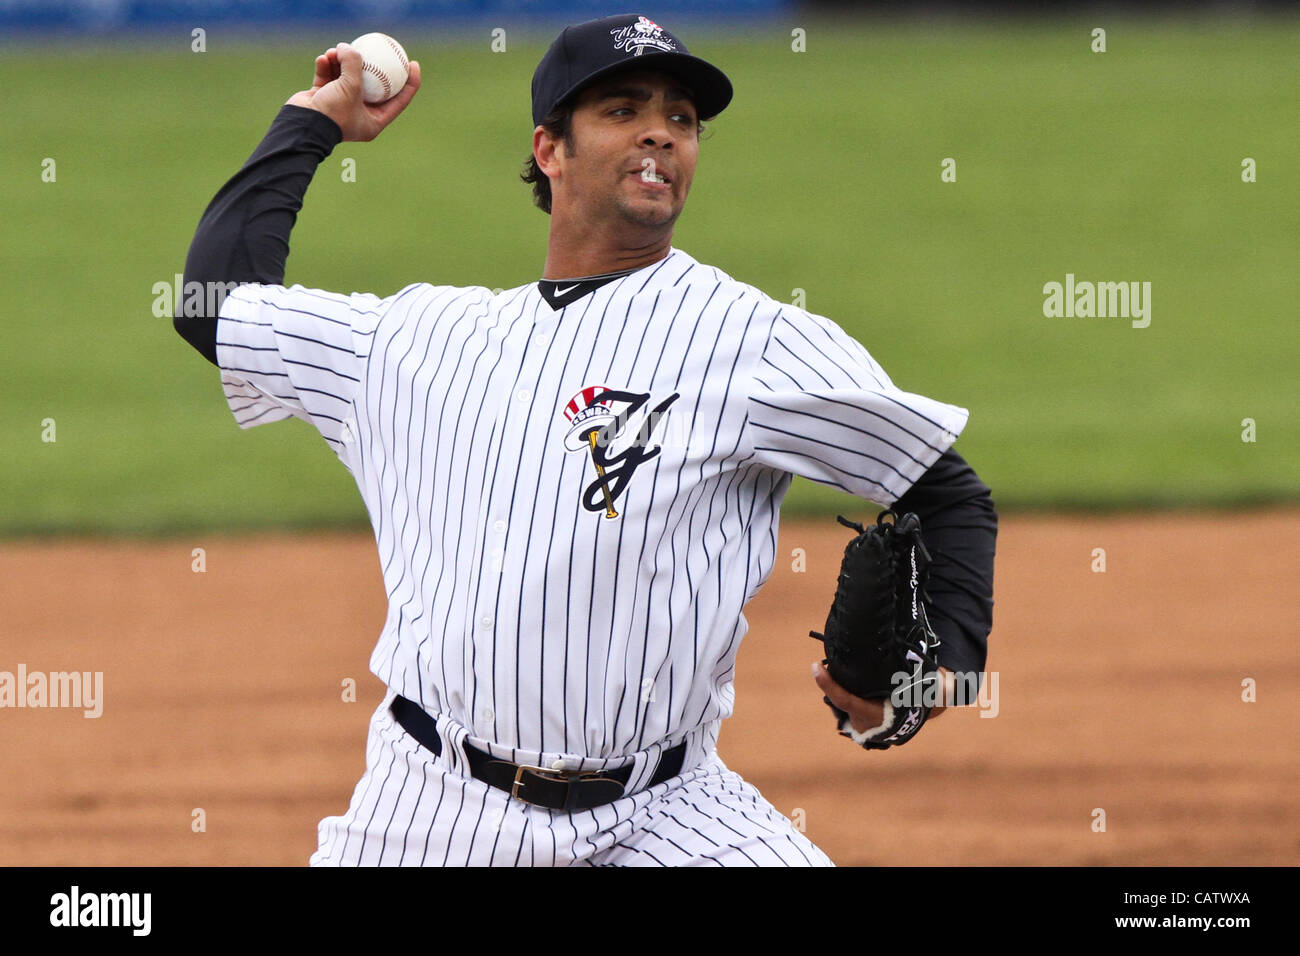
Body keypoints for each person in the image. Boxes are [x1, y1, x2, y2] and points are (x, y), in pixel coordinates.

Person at [174, 14, 996, 867]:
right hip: (429, 810)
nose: (659, 132)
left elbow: (944, 491)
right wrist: (312, 118)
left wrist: (948, 672)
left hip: (671, 811)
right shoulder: (414, 340)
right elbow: (215, 300)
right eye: (622, 109)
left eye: (681, 118)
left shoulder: (755, 340)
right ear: (549, 149)